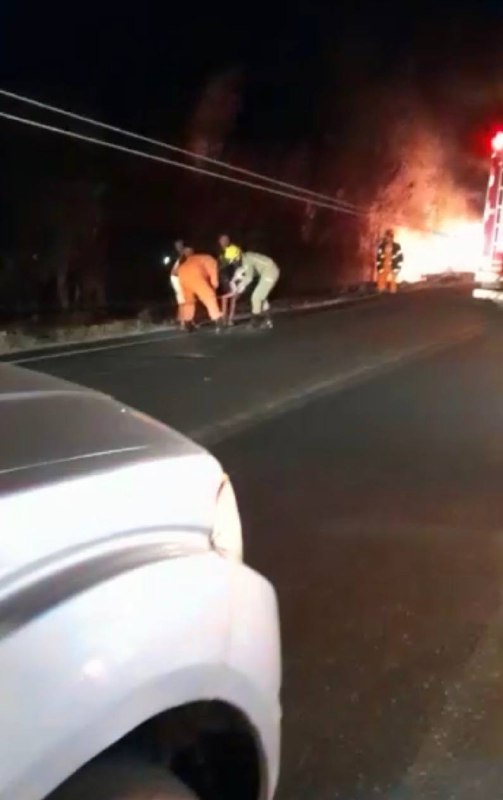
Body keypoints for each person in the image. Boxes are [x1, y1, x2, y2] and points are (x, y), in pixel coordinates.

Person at [177, 248, 223, 333]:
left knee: (188, 301)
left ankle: (187, 323)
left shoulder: (184, 264)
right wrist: (214, 282)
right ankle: (217, 319)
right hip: (195, 275)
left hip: (181, 274)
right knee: (208, 296)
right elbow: (212, 266)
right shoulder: (204, 258)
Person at [230, 251, 280, 329]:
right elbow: (247, 273)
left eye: (233, 260)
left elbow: (249, 278)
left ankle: (255, 321)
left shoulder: (246, 260)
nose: (233, 263)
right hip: (267, 271)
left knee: (256, 297)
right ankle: (268, 321)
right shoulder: (246, 257)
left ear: (237, 257)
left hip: (270, 272)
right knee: (261, 297)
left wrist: (239, 290)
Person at [217, 235, 243, 326]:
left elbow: (238, 263)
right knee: (224, 297)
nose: (223, 242)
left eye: (224, 240)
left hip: (233, 276)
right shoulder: (220, 251)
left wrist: (237, 277)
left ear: (228, 240)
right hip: (223, 276)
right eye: (221, 241)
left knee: (233, 298)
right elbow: (219, 265)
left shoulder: (234, 249)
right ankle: (224, 318)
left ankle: (230, 319)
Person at [163, 239, 186, 325]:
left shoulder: (186, 253)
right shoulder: (174, 256)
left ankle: (185, 319)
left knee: (186, 299)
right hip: (177, 279)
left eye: (180, 244)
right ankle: (183, 321)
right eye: (177, 245)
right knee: (181, 299)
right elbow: (171, 268)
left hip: (186, 278)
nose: (179, 247)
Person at [376, 229, 403, 293]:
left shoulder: (397, 246)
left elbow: (400, 258)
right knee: (381, 279)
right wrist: (379, 268)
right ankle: (381, 292)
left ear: (391, 237)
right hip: (384, 265)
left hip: (393, 265)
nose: (387, 238)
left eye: (388, 237)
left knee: (393, 281)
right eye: (386, 237)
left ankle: (392, 293)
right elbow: (378, 258)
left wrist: (397, 268)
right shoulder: (381, 246)